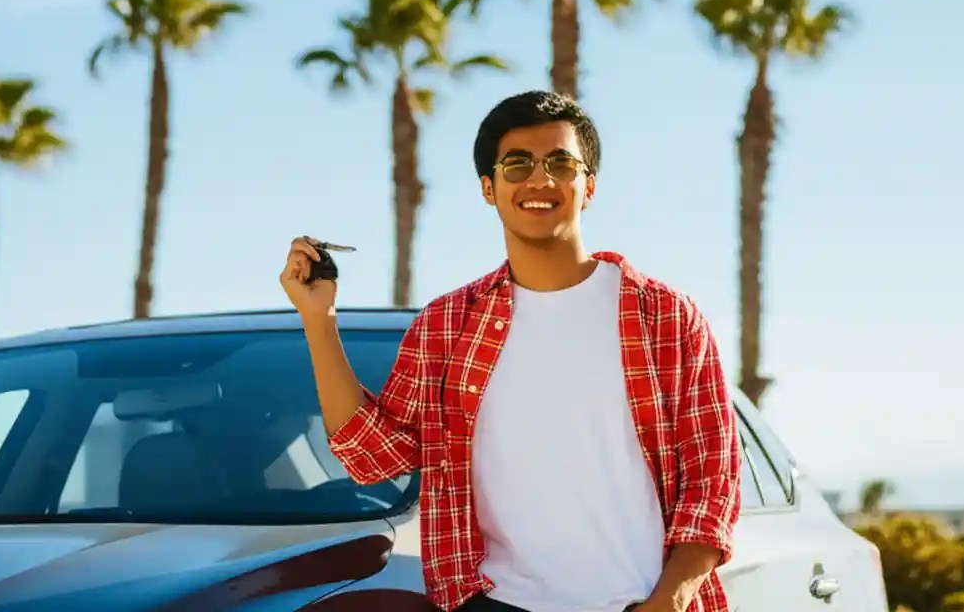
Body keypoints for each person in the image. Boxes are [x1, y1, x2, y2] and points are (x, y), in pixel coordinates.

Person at [280, 90, 741, 612]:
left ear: (588, 186)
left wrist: (671, 600)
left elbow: (712, 478)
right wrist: (319, 320)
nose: (539, 180)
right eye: (517, 164)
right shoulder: (447, 326)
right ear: (488, 188)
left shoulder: (665, 316)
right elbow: (375, 455)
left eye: (560, 163)